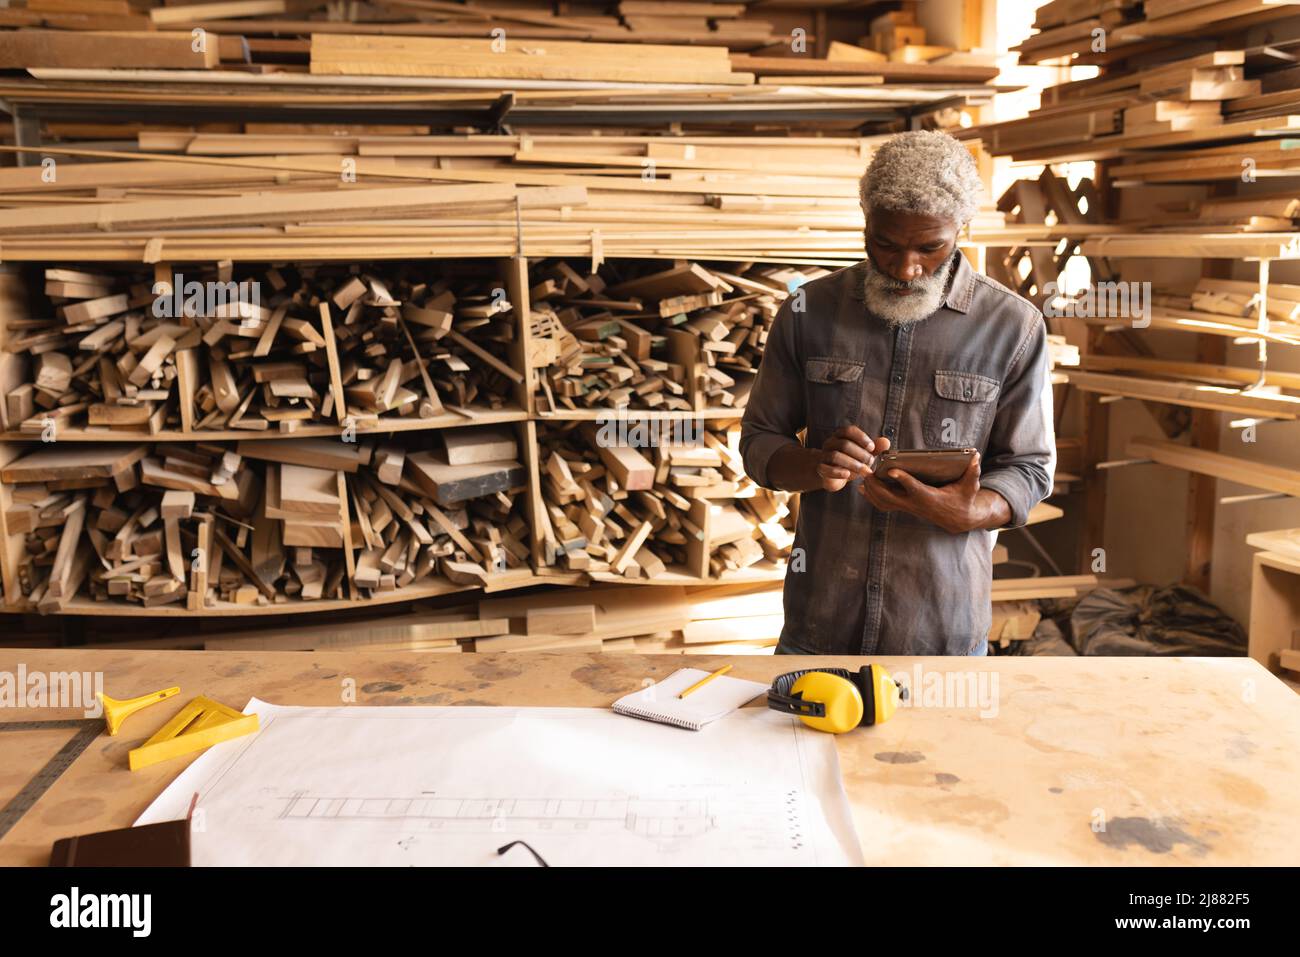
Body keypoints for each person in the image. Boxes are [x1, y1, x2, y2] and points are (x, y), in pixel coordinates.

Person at [739, 130, 1056, 656]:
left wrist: (971, 513)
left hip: (939, 631)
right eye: (885, 243)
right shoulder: (807, 313)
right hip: (820, 624)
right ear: (865, 220)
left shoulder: (1013, 326)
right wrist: (817, 465)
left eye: (930, 247)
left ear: (962, 228)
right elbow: (759, 443)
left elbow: (1030, 468)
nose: (906, 268)